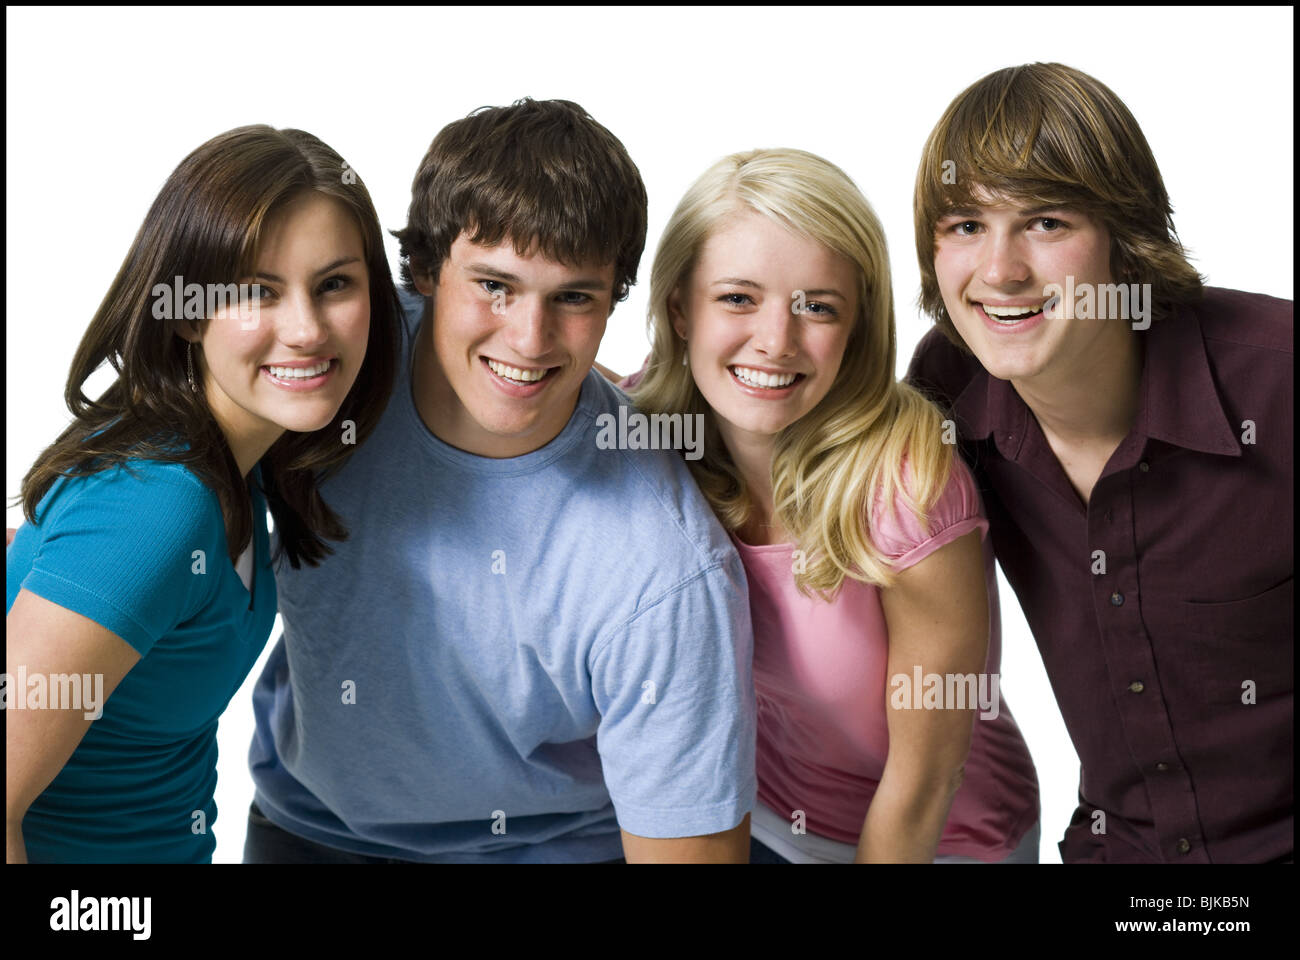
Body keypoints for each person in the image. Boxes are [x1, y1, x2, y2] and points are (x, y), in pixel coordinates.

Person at [242, 99, 756, 864]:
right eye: (495, 286)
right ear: (421, 272)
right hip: (309, 826)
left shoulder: (667, 566)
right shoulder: (324, 371)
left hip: (552, 850)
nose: (529, 339)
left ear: (615, 300)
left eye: (574, 297)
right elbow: (154, 458)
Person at [906, 62, 1293, 862]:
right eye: (965, 226)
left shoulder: (1279, 381)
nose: (1001, 271)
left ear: (1126, 234)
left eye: (1046, 222)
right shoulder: (951, 391)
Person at [622, 148, 1040, 863]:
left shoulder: (910, 489)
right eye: (737, 298)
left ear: (856, 331)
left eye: (817, 306)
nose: (775, 342)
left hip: (939, 842)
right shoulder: (649, 436)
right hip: (759, 822)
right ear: (678, 310)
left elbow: (926, 780)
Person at [5, 124, 401, 863]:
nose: (307, 329)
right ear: (187, 310)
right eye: (256, 291)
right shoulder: (161, 505)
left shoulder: (234, 464)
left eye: (335, 284)